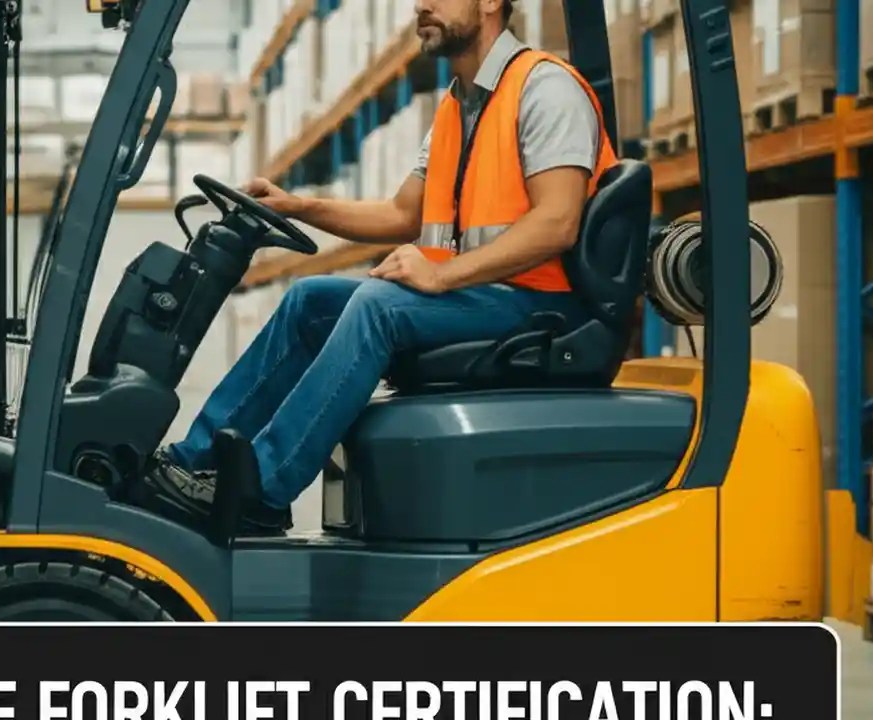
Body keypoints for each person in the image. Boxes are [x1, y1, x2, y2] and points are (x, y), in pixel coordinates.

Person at [133, 0, 620, 534]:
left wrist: (440, 275)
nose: (420, 5)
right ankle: (191, 459)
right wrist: (301, 206)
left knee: (377, 306)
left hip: (538, 303)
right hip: (483, 295)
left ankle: (264, 492)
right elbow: (400, 214)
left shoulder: (545, 88)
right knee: (309, 301)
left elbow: (557, 222)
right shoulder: (458, 107)